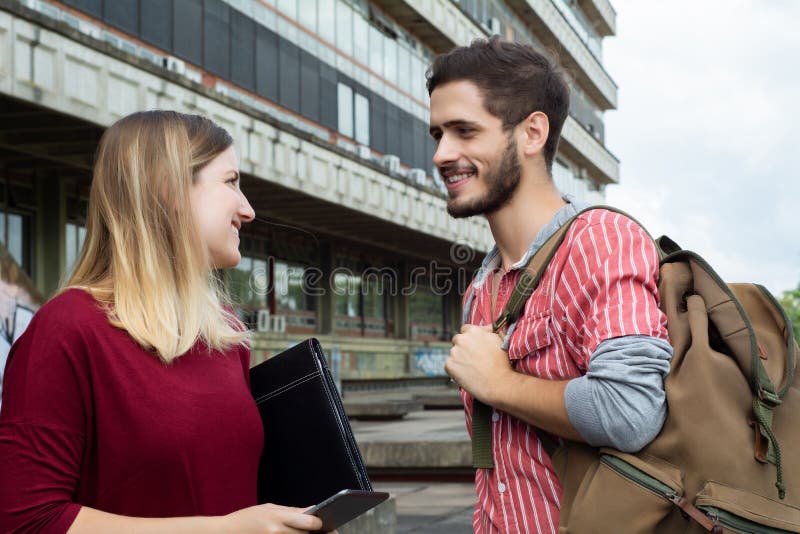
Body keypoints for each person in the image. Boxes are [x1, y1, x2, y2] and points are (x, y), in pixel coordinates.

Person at [0, 111, 325, 533]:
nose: (248, 210)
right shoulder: (65, 330)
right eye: (231, 182)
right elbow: (27, 520)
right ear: (168, 188)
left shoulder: (226, 335)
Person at [428, 37, 673, 533]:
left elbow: (630, 410)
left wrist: (497, 383)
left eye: (464, 131)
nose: (441, 154)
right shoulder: (482, 285)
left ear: (532, 132)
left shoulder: (599, 240)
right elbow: (497, 469)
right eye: (436, 133)